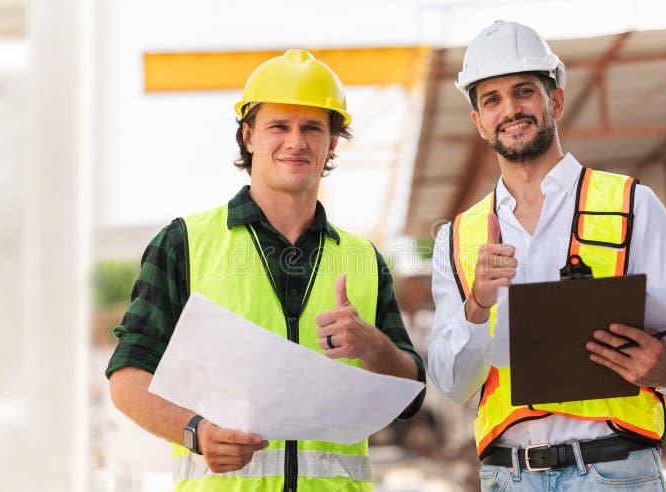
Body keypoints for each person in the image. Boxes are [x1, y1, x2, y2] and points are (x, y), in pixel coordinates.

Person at [107, 49, 426, 492]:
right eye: (279, 126)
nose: (295, 141)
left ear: (332, 143)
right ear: (249, 136)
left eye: (311, 128)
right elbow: (127, 379)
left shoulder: (364, 260)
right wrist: (194, 431)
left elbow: (410, 393)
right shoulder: (184, 244)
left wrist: (374, 346)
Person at [428, 20, 666, 491]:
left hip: (616, 471)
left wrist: (665, 368)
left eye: (524, 92)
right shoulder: (457, 239)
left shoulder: (632, 206)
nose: (510, 109)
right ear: (478, 122)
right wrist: (477, 306)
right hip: (508, 475)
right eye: (491, 100)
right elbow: (453, 385)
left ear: (555, 100)